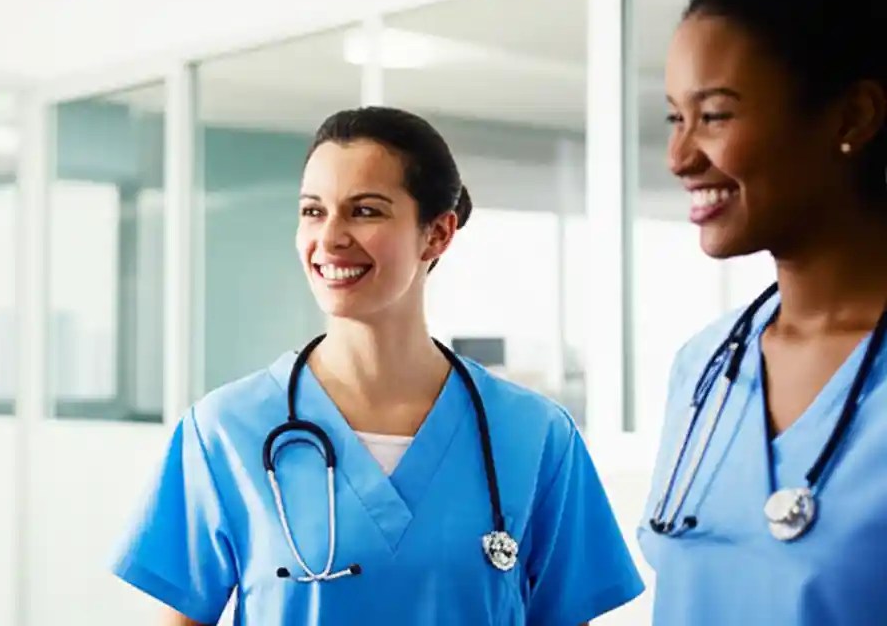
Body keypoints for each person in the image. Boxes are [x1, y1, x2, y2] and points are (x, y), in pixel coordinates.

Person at [112, 106, 644, 625]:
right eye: (313, 210)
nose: (330, 237)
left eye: (365, 210)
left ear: (437, 234)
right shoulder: (226, 430)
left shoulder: (535, 436)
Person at [640, 0, 887, 625]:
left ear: (852, 115)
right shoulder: (705, 370)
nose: (680, 155)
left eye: (715, 115)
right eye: (675, 117)